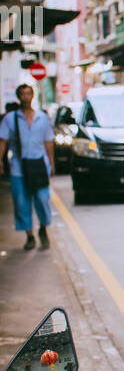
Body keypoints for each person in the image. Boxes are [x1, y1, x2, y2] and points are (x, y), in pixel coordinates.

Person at [0, 82, 55, 249]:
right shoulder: (11, 119)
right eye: (23, 94)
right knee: (22, 202)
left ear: (32, 96)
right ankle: (29, 235)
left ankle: (43, 229)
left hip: (39, 165)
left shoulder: (42, 117)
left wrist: (51, 163)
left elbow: (48, 142)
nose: (26, 97)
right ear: (19, 97)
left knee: (42, 199)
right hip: (19, 167)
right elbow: (2, 142)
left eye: (28, 94)